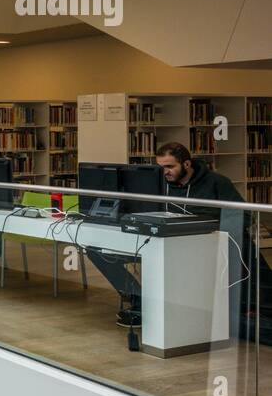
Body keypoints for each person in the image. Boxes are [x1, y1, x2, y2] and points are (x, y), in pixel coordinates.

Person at [88, 142, 244, 332]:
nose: (164, 172)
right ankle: (140, 299)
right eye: (160, 167)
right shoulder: (157, 183)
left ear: (186, 164)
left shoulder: (217, 182)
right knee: (97, 250)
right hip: (158, 240)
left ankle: (159, 306)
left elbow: (242, 216)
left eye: (170, 167)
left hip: (200, 244)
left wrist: (212, 229)